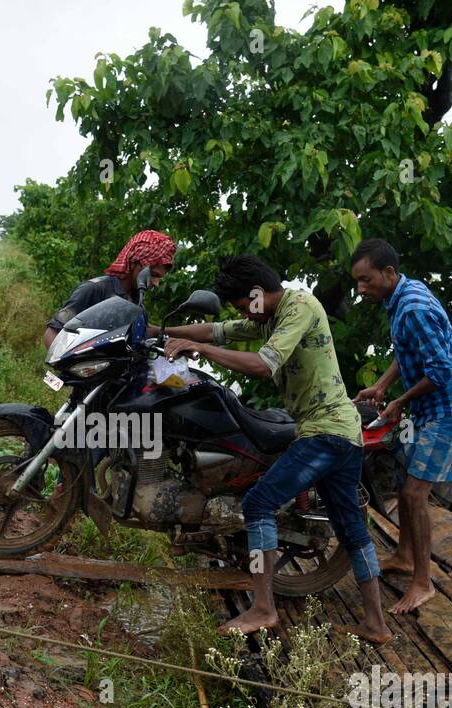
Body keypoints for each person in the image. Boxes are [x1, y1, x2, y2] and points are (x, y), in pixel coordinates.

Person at [163, 255, 391, 644]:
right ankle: (377, 625)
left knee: (258, 504)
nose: (243, 315)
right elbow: (219, 330)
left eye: (241, 305)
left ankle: (264, 608)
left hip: (326, 432)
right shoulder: (269, 314)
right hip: (342, 432)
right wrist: (162, 331)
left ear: (255, 294)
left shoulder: (299, 306)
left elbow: (264, 364)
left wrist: (200, 351)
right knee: (352, 529)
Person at [351, 238, 452, 614]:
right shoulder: (402, 295)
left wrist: (398, 402)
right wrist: (381, 386)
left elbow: (440, 372)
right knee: (407, 478)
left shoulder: (413, 308)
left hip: (450, 407)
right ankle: (405, 555)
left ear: (388, 273)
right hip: (430, 406)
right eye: (357, 282)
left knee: (413, 494)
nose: (361, 289)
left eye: (366, 280)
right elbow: (409, 352)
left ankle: (423, 583)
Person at [42, 230, 176, 349]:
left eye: (160, 278)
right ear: (135, 263)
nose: (156, 283)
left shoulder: (136, 303)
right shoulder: (95, 289)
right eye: (154, 275)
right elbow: (52, 334)